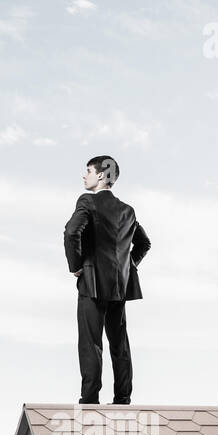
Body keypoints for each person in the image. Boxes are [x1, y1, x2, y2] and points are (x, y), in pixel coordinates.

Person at [63, 156, 150, 404]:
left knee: (91, 343)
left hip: (91, 283)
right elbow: (144, 243)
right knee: (119, 343)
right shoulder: (127, 210)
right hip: (119, 287)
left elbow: (71, 233)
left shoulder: (87, 201)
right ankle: (123, 399)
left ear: (101, 175)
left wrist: (77, 267)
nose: (84, 175)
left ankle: (90, 400)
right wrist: (127, 265)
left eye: (88, 170)